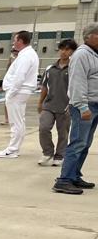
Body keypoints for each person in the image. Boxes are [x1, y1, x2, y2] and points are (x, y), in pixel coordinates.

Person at [53, 24, 98, 194]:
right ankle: (64, 180)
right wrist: (82, 107)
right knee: (78, 142)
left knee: (85, 143)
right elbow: (77, 83)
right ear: (90, 37)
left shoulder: (94, 55)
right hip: (85, 106)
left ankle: (74, 175)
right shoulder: (82, 55)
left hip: (94, 104)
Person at [0, 31, 40, 159]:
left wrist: (11, 92)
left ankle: (12, 149)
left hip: (18, 91)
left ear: (20, 41)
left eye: (15, 40)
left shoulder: (26, 56)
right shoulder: (28, 54)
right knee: (19, 121)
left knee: (16, 122)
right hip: (21, 91)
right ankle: (14, 148)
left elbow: (20, 76)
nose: (13, 43)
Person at [37, 38, 76, 167]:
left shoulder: (74, 68)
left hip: (65, 106)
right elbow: (44, 87)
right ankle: (47, 152)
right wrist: (40, 103)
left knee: (63, 133)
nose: (64, 52)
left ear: (72, 52)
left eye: (67, 49)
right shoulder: (50, 68)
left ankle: (60, 155)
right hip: (49, 105)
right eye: (62, 49)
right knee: (43, 128)